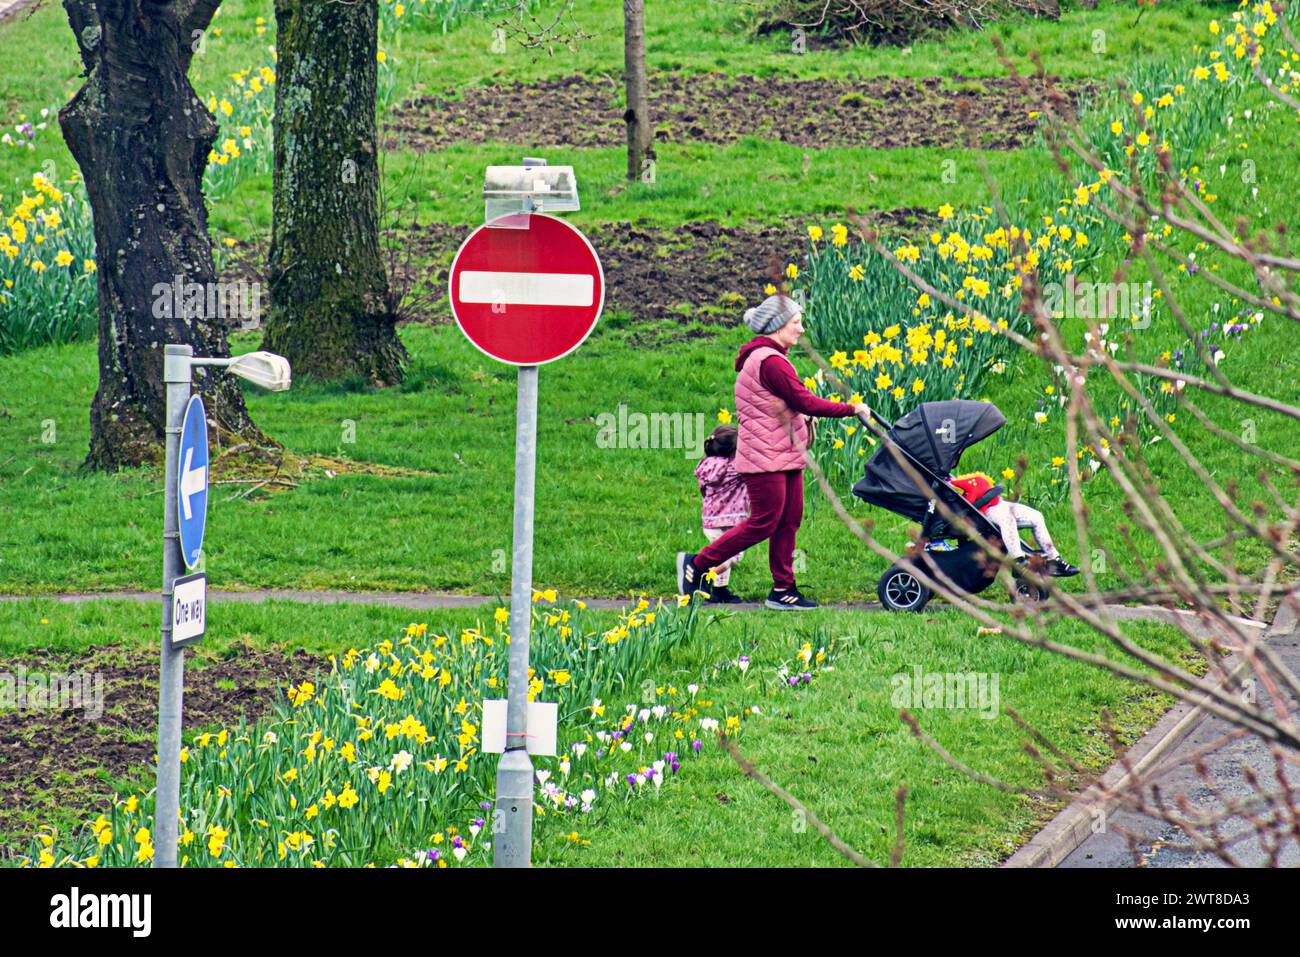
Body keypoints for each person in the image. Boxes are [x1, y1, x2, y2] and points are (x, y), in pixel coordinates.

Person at [676, 293, 870, 610]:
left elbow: (784, 403)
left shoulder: (771, 358)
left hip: (782, 452)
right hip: (765, 457)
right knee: (765, 521)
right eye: (796, 322)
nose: (801, 329)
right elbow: (804, 400)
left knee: (789, 520)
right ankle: (697, 564)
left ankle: (783, 590)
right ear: (778, 325)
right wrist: (852, 409)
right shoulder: (770, 361)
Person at [948, 471, 1080, 576]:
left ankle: (1054, 558)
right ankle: (1019, 561)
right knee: (1008, 520)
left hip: (998, 503)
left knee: (1037, 517)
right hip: (986, 511)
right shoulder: (949, 485)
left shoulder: (954, 479)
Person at [694, 424, 749, 604]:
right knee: (734, 554)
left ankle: (719, 591)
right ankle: (700, 576)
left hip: (710, 521)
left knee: (720, 554)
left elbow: (702, 488)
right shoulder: (735, 468)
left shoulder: (705, 464)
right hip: (730, 520)